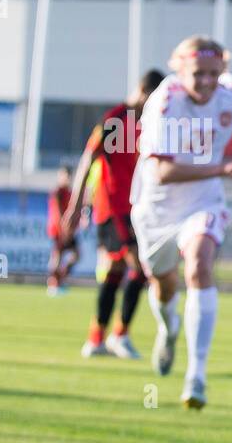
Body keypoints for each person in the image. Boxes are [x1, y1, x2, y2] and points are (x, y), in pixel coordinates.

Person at [130, 35, 232, 409]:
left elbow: (230, 78)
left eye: (212, 73)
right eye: (196, 73)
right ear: (178, 69)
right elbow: (160, 171)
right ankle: (167, 326)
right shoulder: (165, 101)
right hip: (156, 210)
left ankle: (196, 376)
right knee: (163, 283)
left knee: (200, 265)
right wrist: (225, 168)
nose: (206, 81)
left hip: (203, 204)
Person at [63, 69, 166, 358]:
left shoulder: (147, 123)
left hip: (136, 208)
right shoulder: (116, 119)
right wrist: (74, 206)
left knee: (117, 271)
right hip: (114, 208)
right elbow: (88, 159)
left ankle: (97, 339)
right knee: (142, 267)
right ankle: (118, 336)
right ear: (144, 92)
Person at [45, 164, 80, 296]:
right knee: (57, 257)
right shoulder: (57, 192)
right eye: (65, 175)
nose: (67, 178)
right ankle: (53, 284)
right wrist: (63, 228)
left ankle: (60, 278)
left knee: (76, 255)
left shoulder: (71, 192)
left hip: (69, 230)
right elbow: (58, 213)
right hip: (58, 230)